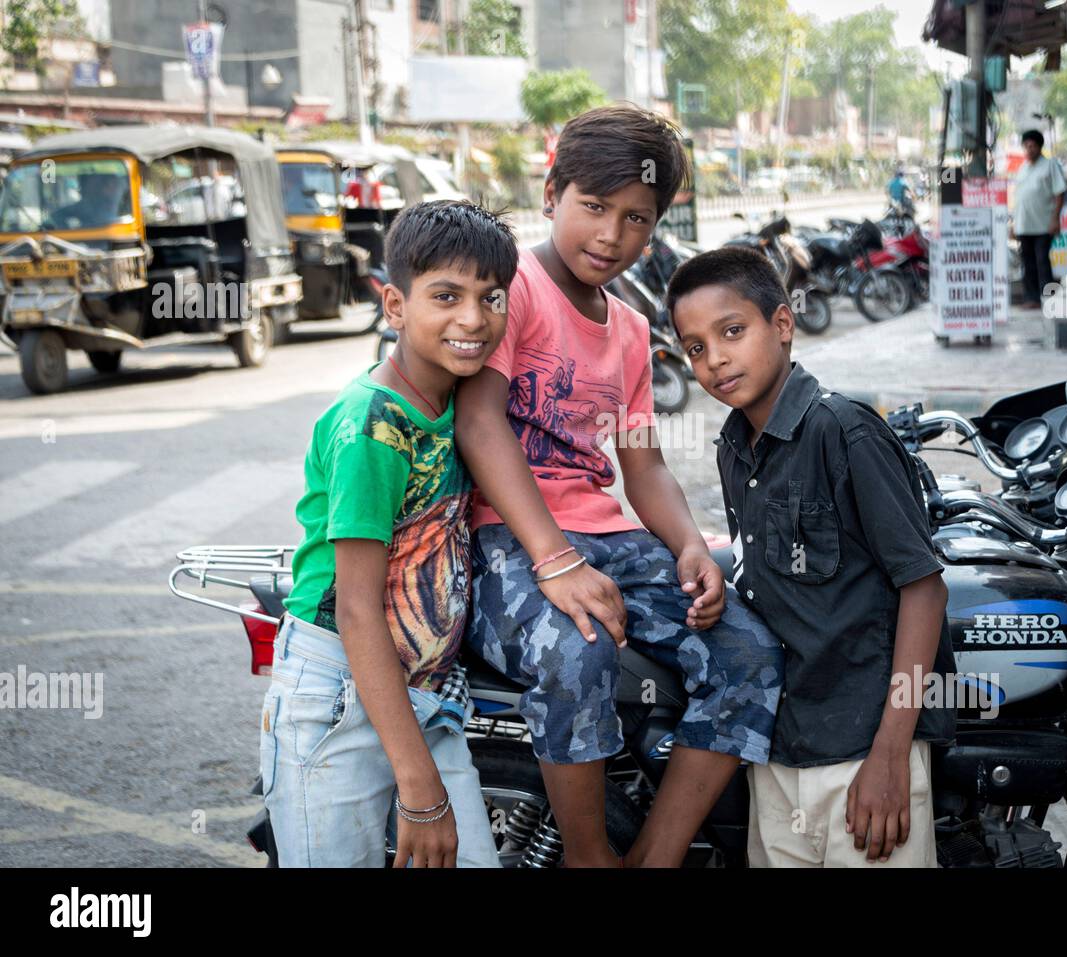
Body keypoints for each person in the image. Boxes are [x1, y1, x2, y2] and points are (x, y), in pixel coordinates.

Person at [455, 104, 784, 869]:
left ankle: (658, 855)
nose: (611, 236)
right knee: (579, 649)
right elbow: (480, 425)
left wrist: (689, 547)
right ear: (551, 194)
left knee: (751, 654)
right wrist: (555, 558)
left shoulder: (632, 329)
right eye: (594, 208)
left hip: (612, 542)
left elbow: (643, 464)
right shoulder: (512, 288)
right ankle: (588, 855)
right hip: (508, 537)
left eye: (636, 219)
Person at [667, 245, 956, 868]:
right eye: (694, 348)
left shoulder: (845, 431)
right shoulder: (733, 446)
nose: (714, 359)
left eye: (732, 332)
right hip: (778, 747)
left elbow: (924, 588)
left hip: (864, 748)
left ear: (782, 324)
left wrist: (889, 756)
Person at [261, 200, 518, 867]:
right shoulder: (374, 424)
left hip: (426, 693)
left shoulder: (462, 405)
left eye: (491, 297)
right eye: (445, 296)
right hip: (339, 690)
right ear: (394, 306)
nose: (473, 318)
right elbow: (354, 608)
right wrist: (420, 786)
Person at [1013, 130, 1067, 310]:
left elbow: (1059, 193)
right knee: (1027, 264)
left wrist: (1055, 219)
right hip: (1023, 225)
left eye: (1032, 145)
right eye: (1026, 146)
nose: (1029, 149)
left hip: (1044, 224)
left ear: (1039, 147)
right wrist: (1014, 223)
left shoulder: (1050, 165)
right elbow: (1019, 197)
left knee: (1042, 261)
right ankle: (1031, 298)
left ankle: (1048, 299)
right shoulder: (1022, 168)